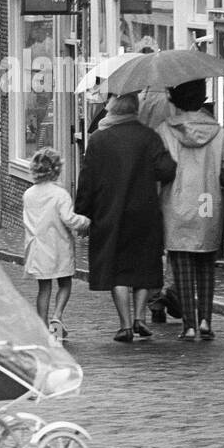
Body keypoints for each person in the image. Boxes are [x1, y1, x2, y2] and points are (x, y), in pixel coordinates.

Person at [75, 92, 176, 343]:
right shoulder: (149, 137)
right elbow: (167, 169)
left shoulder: (98, 140)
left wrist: (82, 212)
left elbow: (87, 180)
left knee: (117, 268)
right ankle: (140, 318)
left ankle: (124, 325)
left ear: (112, 110)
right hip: (144, 211)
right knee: (143, 265)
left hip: (110, 211)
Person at [155, 79, 224, 341]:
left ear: (175, 97)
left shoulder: (164, 130)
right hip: (209, 203)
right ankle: (205, 322)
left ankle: (188, 325)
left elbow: (161, 169)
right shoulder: (219, 131)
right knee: (206, 264)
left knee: (182, 264)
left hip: (177, 204)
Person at [23, 148, 89, 340]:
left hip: (37, 246)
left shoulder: (29, 194)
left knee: (44, 288)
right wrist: (85, 222)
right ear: (56, 169)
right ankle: (57, 316)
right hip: (58, 245)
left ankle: (42, 326)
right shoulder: (60, 194)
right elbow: (69, 219)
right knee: (65, 283)